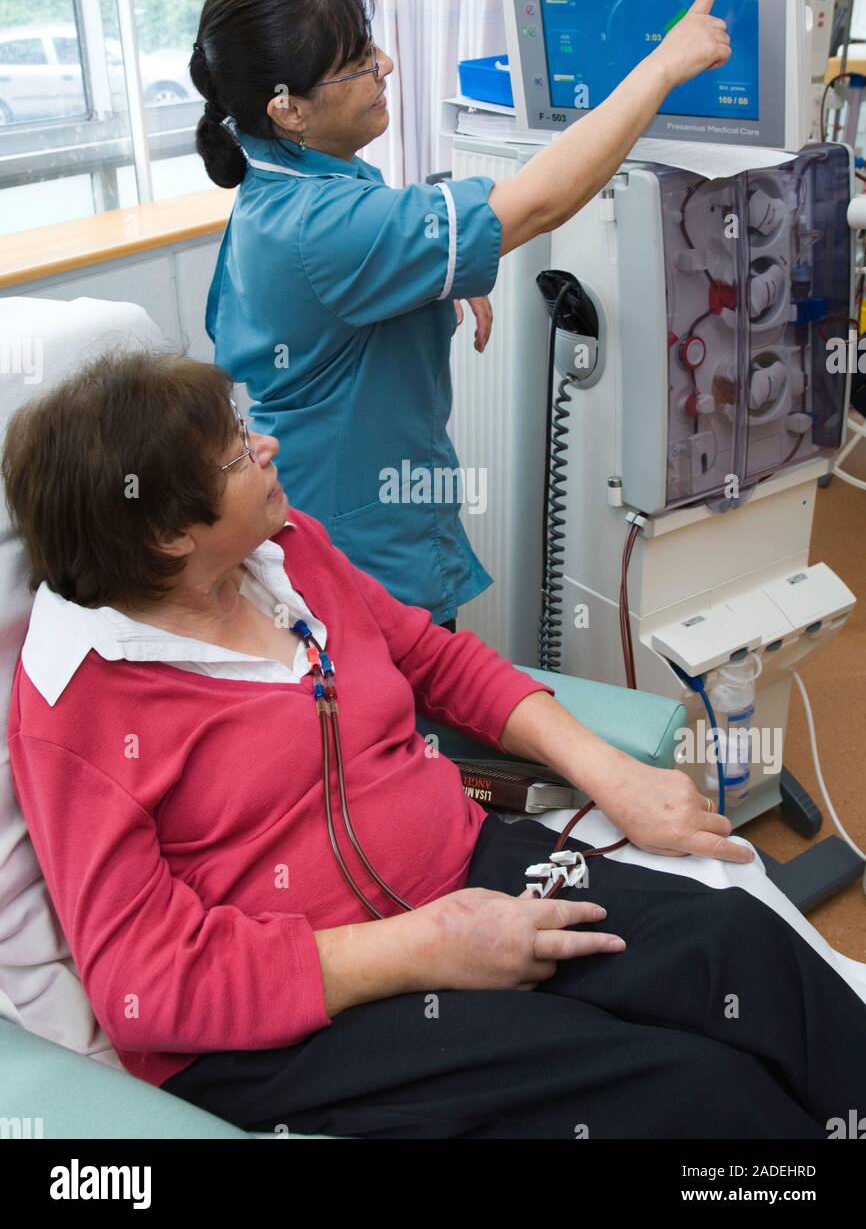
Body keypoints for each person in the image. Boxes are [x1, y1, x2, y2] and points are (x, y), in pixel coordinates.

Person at [4, 348, 866, 1140]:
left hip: (468, 869)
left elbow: (433, 659)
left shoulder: (285, 553)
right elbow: (143, 986)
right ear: (165, 533)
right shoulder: (77, 704)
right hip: (305, 1021)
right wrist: (424, 948)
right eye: (235, 453)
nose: (266, 446)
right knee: (691, 1098)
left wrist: (615, 775)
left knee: (734, 945)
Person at [189, 0, 731, 626]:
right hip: (358, 547)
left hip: (331, 508)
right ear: (290, 109)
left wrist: (430, 275)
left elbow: (348, 284)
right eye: (359, 61)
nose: (384, 66)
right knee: (399, 718)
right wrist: (663, 66)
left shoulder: (280, 185)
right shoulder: (320, 226)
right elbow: (536, 204)